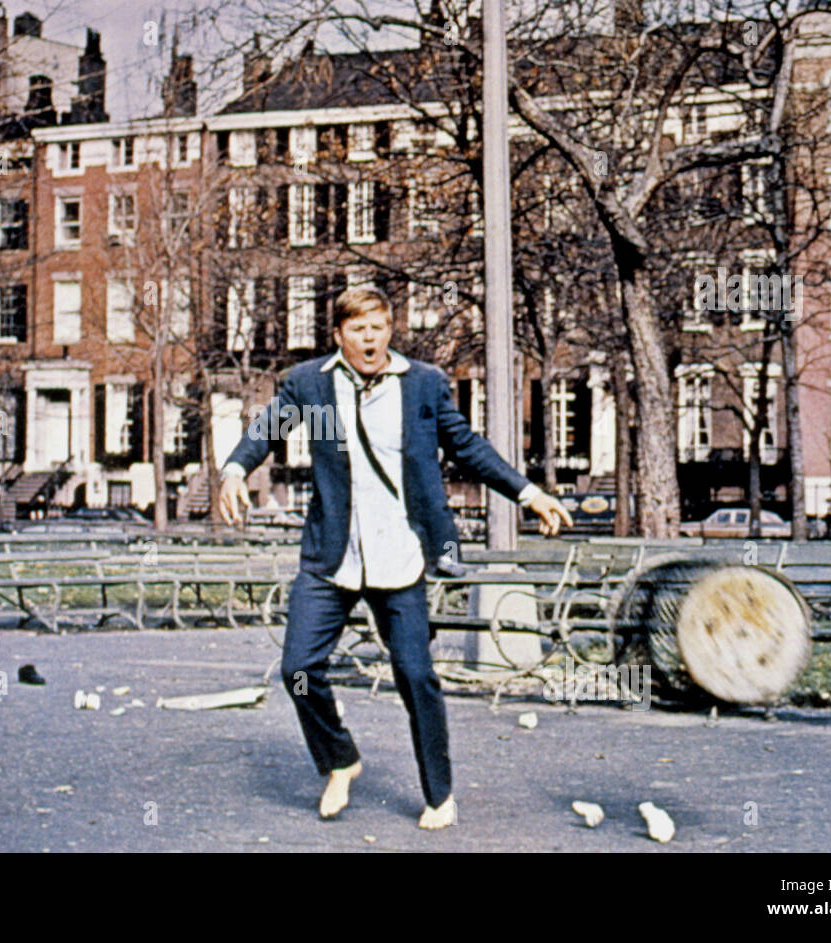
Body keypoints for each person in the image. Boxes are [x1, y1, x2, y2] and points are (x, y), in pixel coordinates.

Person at [219, 287, 572, 829]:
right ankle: (340, 760)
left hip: (399, 555)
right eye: (358, 329)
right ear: (339, 335)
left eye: (379, 328)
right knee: (297, 671)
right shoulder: (309, 384)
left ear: (390, 331)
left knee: (415, 675)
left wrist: (528, 493)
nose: (370, 339)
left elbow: (467, 447)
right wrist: (236, 469)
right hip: (331, 556)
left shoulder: (423, 384)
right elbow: (266, 432)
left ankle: (439, 793)